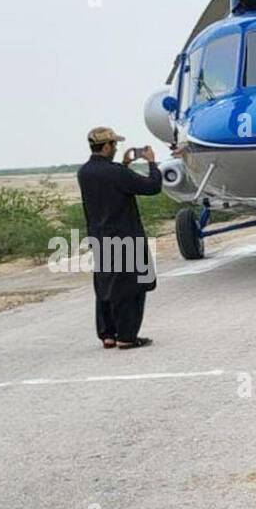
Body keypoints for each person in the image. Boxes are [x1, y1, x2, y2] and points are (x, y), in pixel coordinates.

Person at [77, 126, 161, 349]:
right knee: (131, 287)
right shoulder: (116, 172)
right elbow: (152, 187)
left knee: (105, 285)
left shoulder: (84, 172)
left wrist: (124, 165)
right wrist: (152, 163)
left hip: (99, 237)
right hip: (126, 238)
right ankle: (127, 336)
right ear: (106, 146)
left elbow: (111, 187)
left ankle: (108, 334)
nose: (115, 148)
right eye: (114, 144)